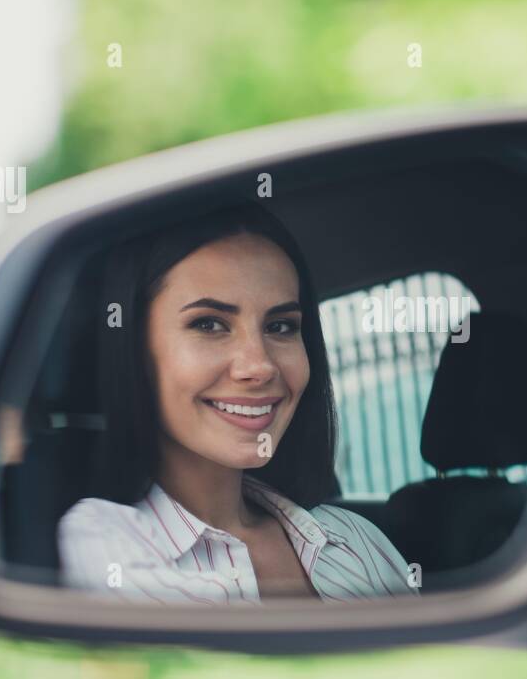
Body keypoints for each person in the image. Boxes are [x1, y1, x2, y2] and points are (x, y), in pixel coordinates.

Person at [57, 204, 417, 604]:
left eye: (280, 327)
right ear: (134, 350)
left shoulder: (353, 539)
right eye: (208, 324)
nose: (259, 366)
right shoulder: (106, 541)